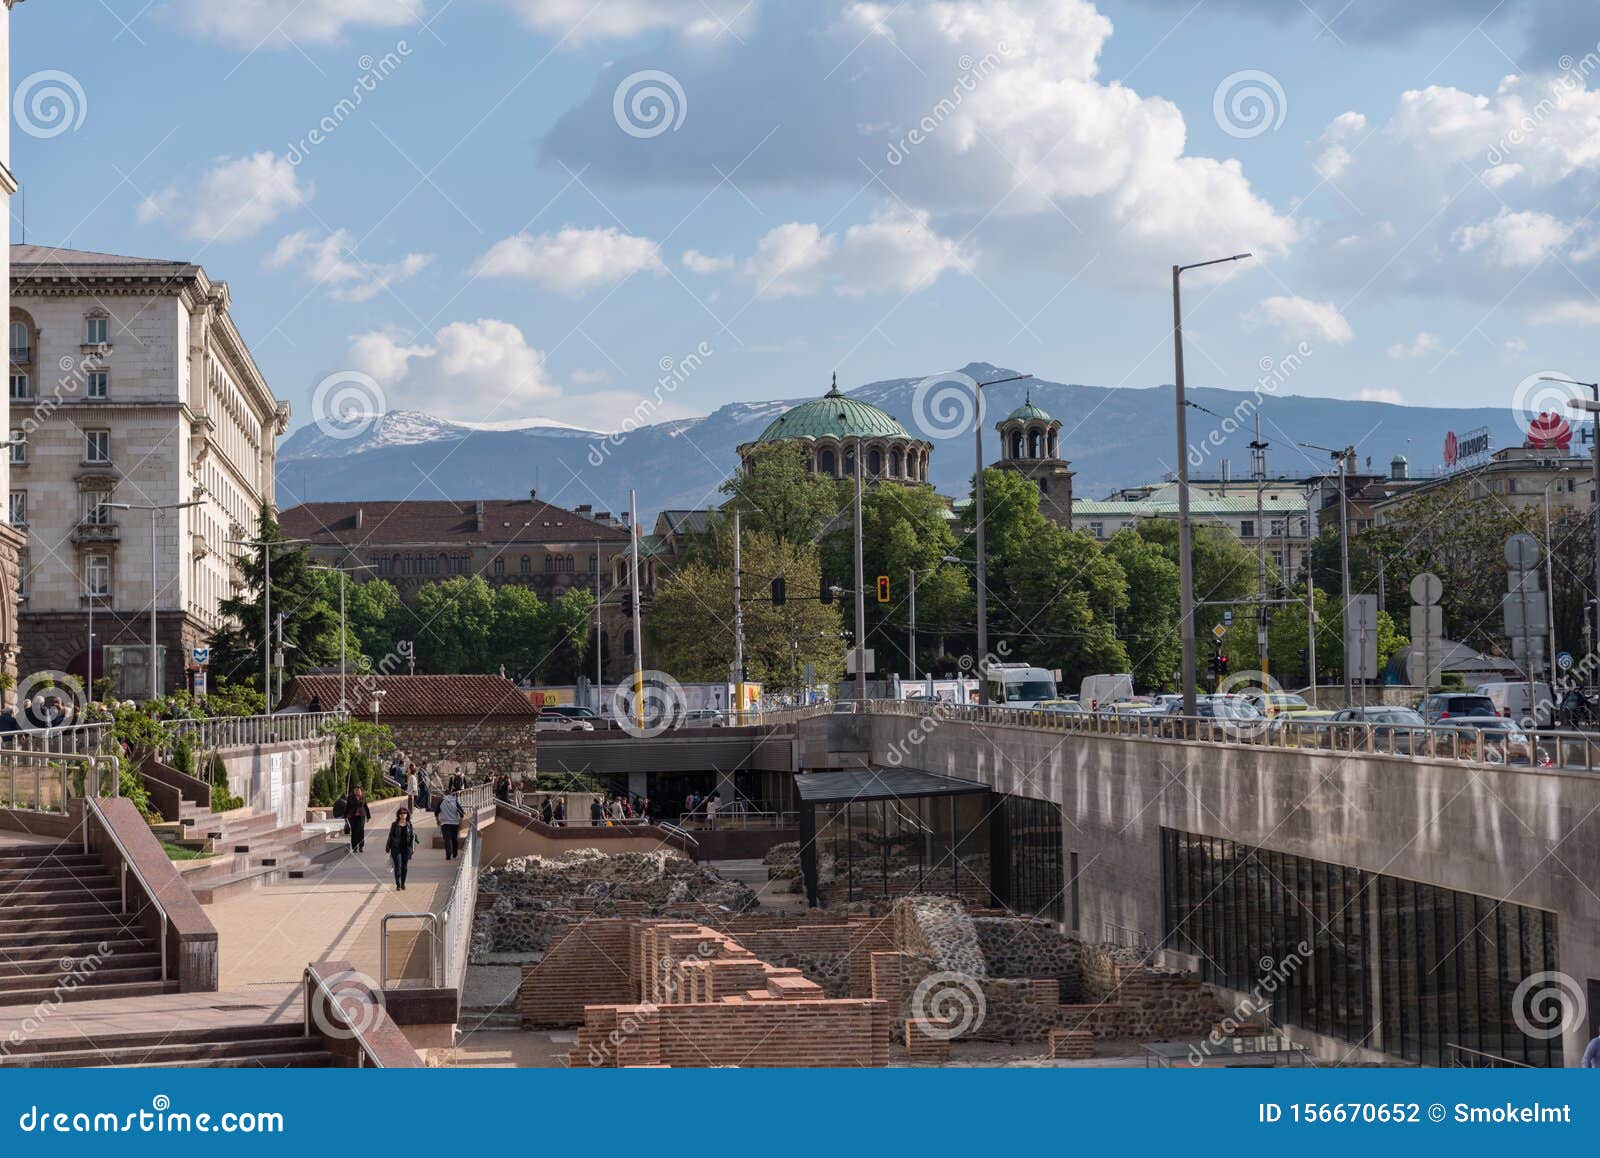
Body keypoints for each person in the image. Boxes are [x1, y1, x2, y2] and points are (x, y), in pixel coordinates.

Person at [385, 807, 418, 890]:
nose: (403, 815)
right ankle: (398, 885)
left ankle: (403, 883)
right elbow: (390, 836)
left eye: (405, 813)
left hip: (406, 848)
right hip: (396, 848)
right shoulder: (394, 824)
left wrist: (413, 847)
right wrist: (388, 847)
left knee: (404, 867)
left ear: (407, 815)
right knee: (398, 866)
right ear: (399, 815)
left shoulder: (409, 824)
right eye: (401, 813)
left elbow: (412, 837)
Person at [438, 788, 464, 860]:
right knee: (454, 839)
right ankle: (455, 854)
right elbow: (462, 813)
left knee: (447, 839)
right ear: (451, 794)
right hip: (455, 823)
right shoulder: (455, 801)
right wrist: (460, 823)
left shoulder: (441, 801)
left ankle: (448, 855)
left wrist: (438, 821)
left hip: (445, 823)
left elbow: (436, 812)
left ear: (445, 794)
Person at [344, 786, 371, 853]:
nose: (357, 791)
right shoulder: (350, 797)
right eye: (356, 790)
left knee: (360, 830)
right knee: (354, 831)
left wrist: (368, 816)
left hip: (361, 816)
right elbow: (347, 807)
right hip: (352, 817)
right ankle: (355, 847)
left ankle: (361, 846)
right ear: (354, 791)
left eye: (358, 790)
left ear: (360, 791)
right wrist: (345, 816)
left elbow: (365, 807)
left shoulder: (362, 797)